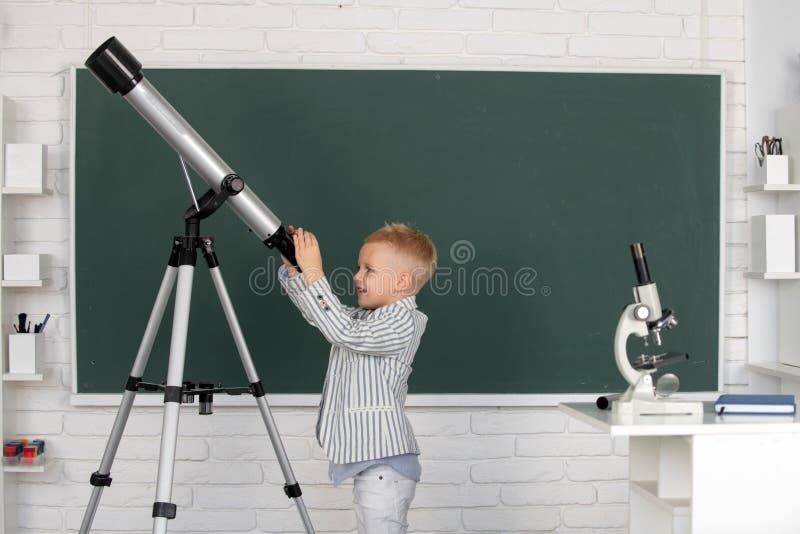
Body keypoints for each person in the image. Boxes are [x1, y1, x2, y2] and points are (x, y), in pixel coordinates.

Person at [278, 222, 436, 534]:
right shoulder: (366, 319)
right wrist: (298, 272)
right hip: (376, 467)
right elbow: (322, 315)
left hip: (386, 468)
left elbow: (341, 330)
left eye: (369, 269)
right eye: (358, 267)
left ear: (402, 281)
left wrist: (315, 273)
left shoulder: (404, 322)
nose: (357, 276)